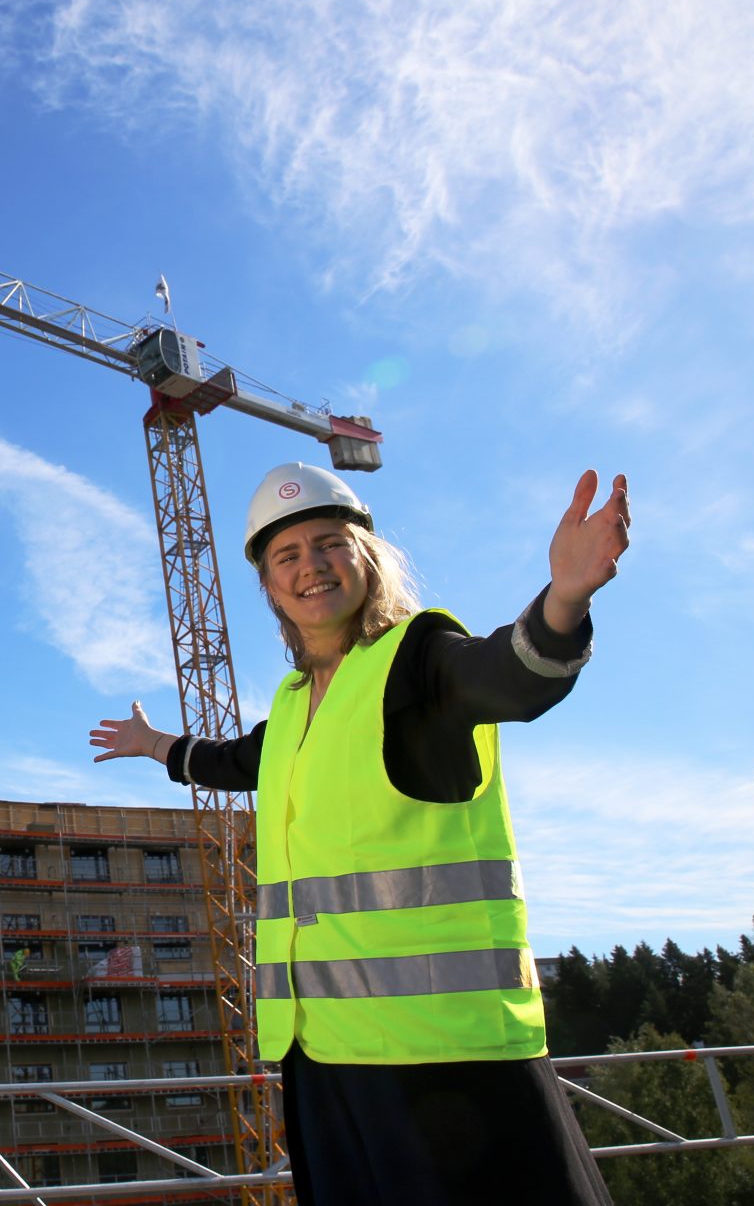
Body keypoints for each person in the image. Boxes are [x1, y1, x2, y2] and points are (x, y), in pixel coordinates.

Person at [89, 462, 628, 1205]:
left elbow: (510, 675)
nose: (309, 565)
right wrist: (156, 746)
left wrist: (564, 599)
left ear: (366, 558)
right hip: (321, 1058)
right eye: (287, 556)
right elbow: (231, 760)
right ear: (271, 587)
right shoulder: (292, 707)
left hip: (446, 1062)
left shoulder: (417, 658)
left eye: (328, 543)